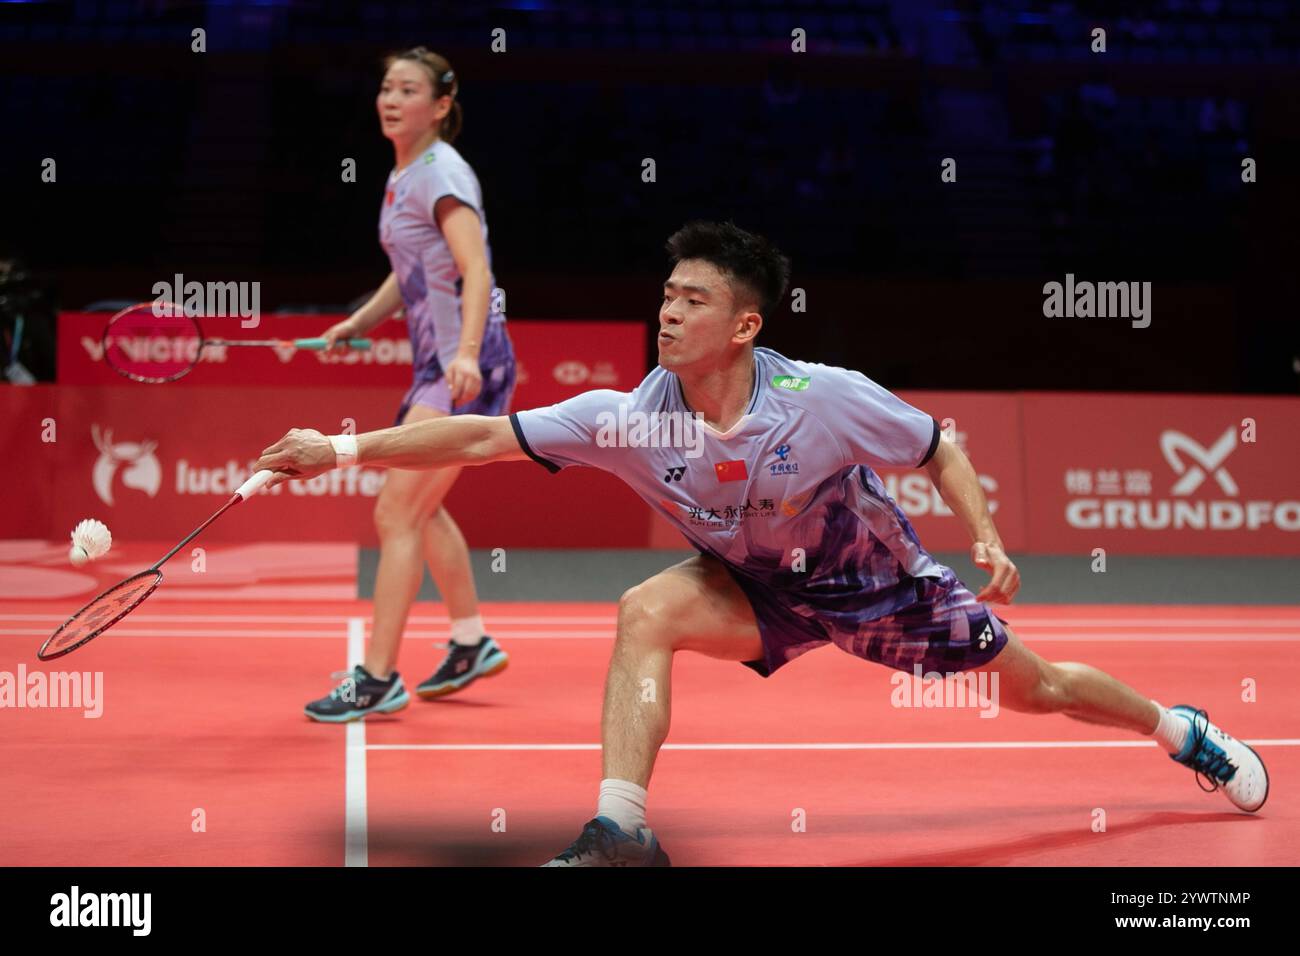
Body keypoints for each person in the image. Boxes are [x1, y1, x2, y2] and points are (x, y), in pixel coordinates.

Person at [259, 220, 1268, 862]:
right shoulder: (629, 415)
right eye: (665, 295)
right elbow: (483, 436)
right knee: (642, 611)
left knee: (1039, 687)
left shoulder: (821, 398)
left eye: (692, 300)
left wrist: (989, 533)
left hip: (879, 585)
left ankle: (1179, 730)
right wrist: (342, 443)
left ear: (742, 325)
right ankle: (623, 827)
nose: (668, 311)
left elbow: (937, 446)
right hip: (752, 587)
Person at [304, 47, 514, 723]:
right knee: (420, 508)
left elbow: (473, 270)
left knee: (396, 511)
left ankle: (377, 677)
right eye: (386, 88)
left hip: (463, 365)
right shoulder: (404, 176)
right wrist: (357, 322)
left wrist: (467, 355)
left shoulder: (443, 172)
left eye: (408, 90)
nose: (391, 99)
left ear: (442, 106)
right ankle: (470, 641)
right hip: (435, 365)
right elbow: (414, 270)